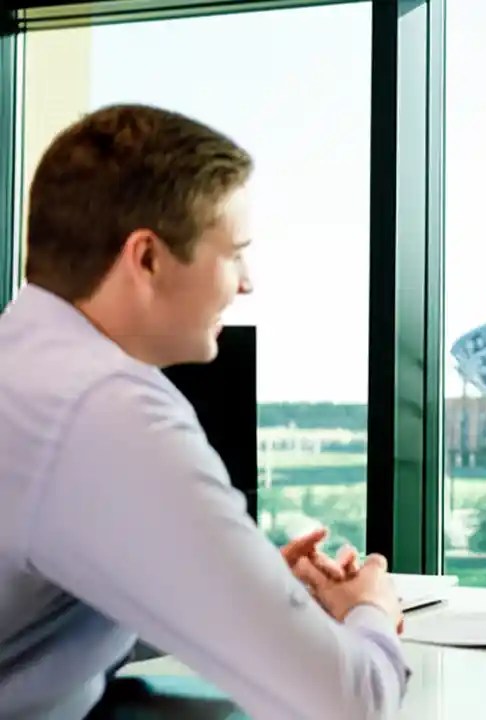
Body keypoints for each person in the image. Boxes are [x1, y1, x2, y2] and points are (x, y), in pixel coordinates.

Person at [0, 104, 408, 719]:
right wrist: (372, 610)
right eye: (234, 252)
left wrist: (229, 591)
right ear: (148, 259)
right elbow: (347, 703)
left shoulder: (25, 363)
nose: (247, 282)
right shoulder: (109, 409)